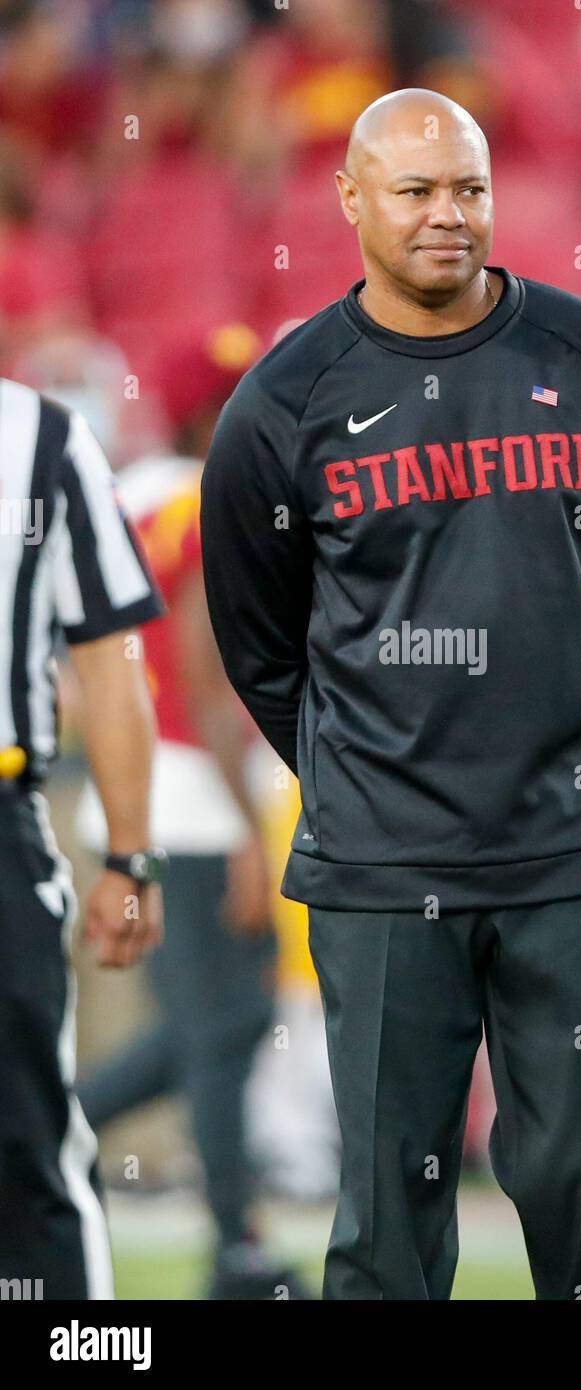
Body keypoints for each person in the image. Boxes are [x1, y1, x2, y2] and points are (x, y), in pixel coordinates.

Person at [200, 88, 581, 1300]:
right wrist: (368, 771)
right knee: (387, 1220)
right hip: (382, 863)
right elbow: (258, 641)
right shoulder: (280, 404)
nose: (445, 214)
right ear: (352, 199)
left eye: (467, 187)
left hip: (575, 845)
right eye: (413, 190)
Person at [74, 326, 311, 1299]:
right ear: (222, 409)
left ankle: (50, 1129)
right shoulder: (215, 500)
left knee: (216, 1023)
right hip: (192, 793)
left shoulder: (131, 494)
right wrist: (249, 829)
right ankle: (235, 1247)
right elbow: (210, 680)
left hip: (132, 783)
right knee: (221, 1031)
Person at [0, 375, 165, 1299]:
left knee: (23, 1136)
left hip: (2, 816)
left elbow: (110, 656)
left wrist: (130, 855)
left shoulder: (40, 436)